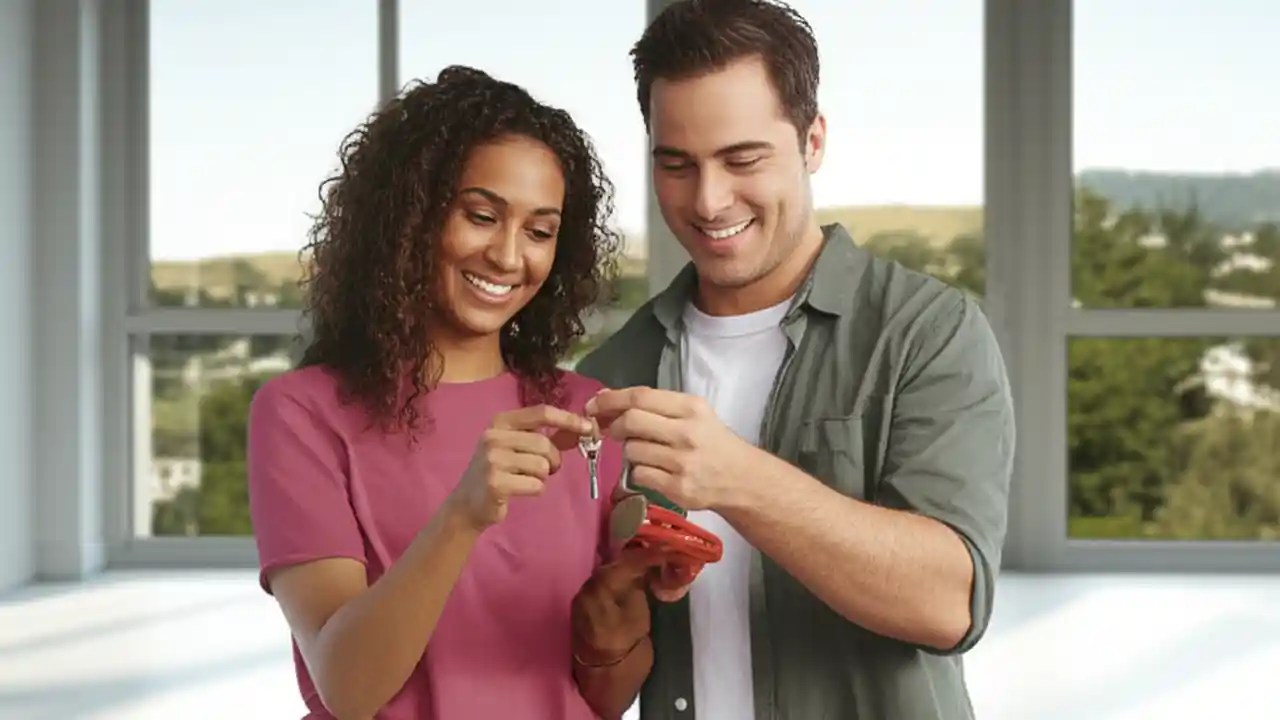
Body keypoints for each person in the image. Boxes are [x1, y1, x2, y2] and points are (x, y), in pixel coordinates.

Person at [570, 1, 1016, 719]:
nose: (710, 201)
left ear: (812, 141)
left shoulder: (927, 333)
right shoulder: (613, 371)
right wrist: (605, 625)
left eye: (742, 159)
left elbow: (950, 604)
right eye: (677, 165)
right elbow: (594, 689)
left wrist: (736, 477)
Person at [246, 65, 665, 720]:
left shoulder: (582, 415)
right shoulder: (302, 413)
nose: (506, 256)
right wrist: (463, 515)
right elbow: (348, 688)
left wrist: (616, 623)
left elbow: (603, 700)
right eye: (481, 215)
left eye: (539, 231)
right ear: (407, 218)